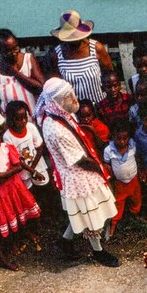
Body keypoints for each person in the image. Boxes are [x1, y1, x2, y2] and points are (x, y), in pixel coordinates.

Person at [37, 78, 120, 266]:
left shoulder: (59, 113)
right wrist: (101, 167)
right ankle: (98, 251)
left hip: (80, 172)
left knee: (81, 213)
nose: (75, 99)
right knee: (92, 215)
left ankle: (64, 241)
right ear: (57, 100)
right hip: (79, 177)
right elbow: (79, 161)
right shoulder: (55, 128)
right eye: (69, 96)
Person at [52, 10, 114, 105]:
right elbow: (56, 86)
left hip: (100, 105)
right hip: (73, 109)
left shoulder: (96, 48)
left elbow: (110, 73)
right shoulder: (57, 54)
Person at [0, 30, 45, 112]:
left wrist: (16, 73)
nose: (14, 53)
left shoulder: (28, 59)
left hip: (33, 115)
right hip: (12, 121)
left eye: (15, 48)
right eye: (7, 51)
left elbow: (40, 87)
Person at [103, 118, 141, 230]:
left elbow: (137, 158)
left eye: (125, 138)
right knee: (118, 202)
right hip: (119, 182)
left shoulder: (132, 146)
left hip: (134, 179)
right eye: (118, 139)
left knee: (136, 198)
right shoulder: (108, 150)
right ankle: (114, 222)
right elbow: (107, 165)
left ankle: (135, 214)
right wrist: (111, 179)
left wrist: (140, 171)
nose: (122, 142)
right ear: (113, 136)